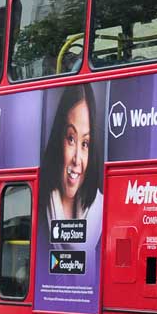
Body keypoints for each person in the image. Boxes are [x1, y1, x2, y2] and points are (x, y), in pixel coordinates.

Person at [37, 83, 105, 253]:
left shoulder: (102, 212)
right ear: (58, 139)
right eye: (71, 139)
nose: (77, 159)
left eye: (85, 143)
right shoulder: (37, 209)